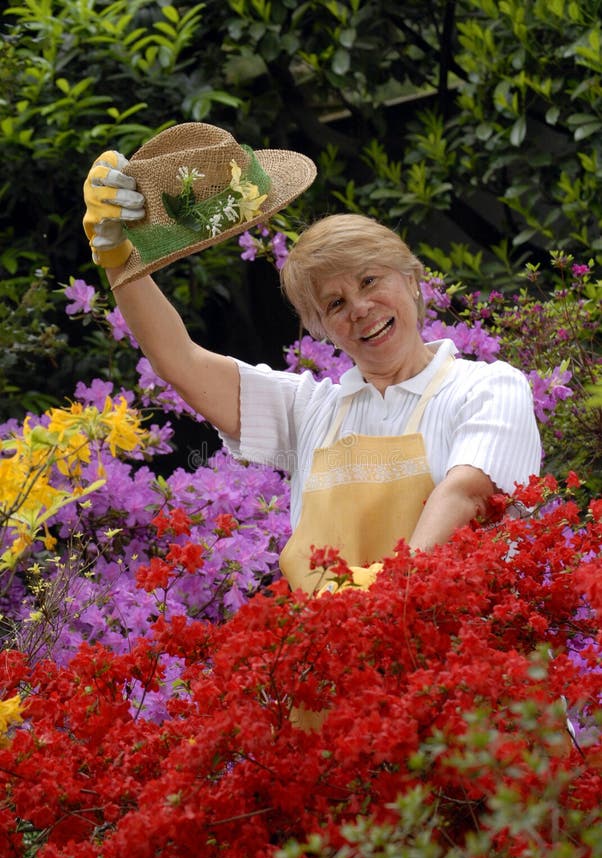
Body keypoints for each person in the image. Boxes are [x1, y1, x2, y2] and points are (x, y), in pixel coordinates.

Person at [83, 123, 542, 594]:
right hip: (338, 657)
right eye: (335, 304)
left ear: (412, 279)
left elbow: (465, 494)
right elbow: (179, 361)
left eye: (369, 281)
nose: (360, 309)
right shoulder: (309, 412)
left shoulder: (487, 388)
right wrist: (118, 258)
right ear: (321, 327)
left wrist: (384, 602)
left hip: (458, 651)